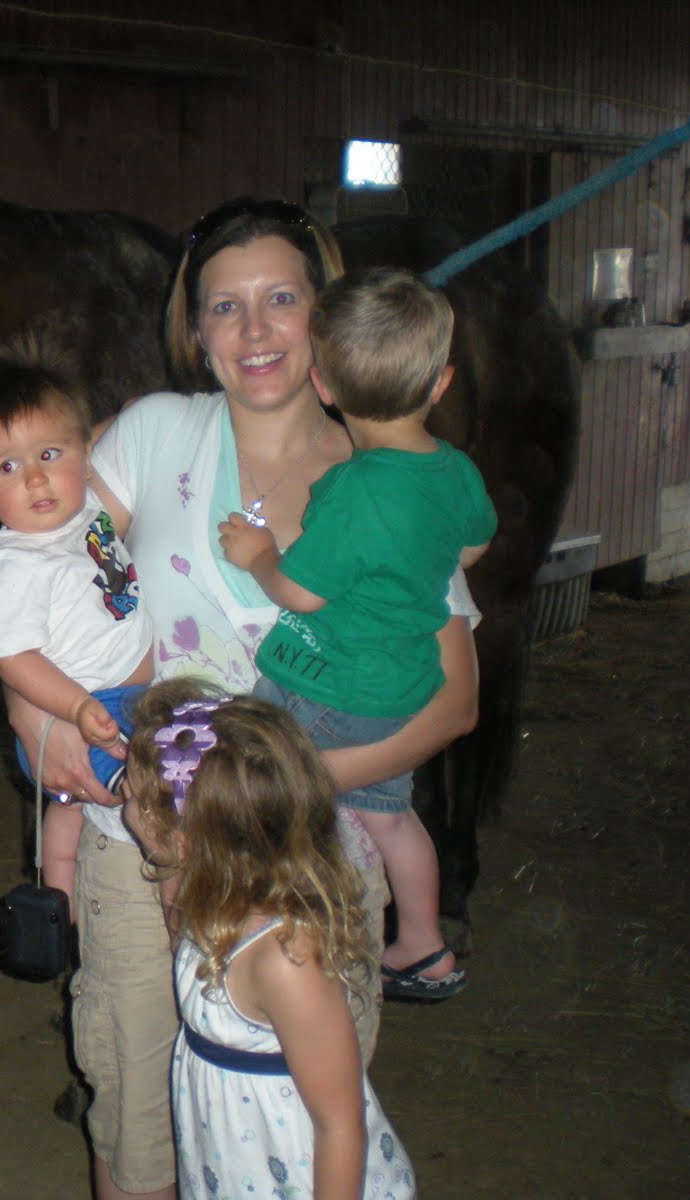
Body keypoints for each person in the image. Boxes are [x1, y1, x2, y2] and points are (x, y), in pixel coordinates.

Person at [3, 197, 479, 1200]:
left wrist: (286, 787)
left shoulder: (390, 477)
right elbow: (47, 571)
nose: (254, 331)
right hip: (142, 850)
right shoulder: (151, 437)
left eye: (280, 300)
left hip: (315, 865)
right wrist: (34, 711)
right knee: (136, 1115)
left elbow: (451, 708)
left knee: (292, 1134)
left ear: (328, 314)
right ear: (195, 329)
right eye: (225, 308)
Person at [218, 266, 495, 1003]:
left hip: (323, 683)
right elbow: (472, 549)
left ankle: (275, 936)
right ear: (440, 383)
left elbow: (301, 593)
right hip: (400, 690)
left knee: (257, 784)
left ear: (326, 388)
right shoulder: (458, 473)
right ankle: (425, 944)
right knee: (389, 814)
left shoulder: (351, 488)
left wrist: (257, 554)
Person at [121, 682, 417, 1200]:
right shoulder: (209, 901)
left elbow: (340, 1124)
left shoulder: (287, 961)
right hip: (237, 1166)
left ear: (190, 836)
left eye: (140, 794)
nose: (125, 793)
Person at [0, 335, 153, 914]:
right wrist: (77, 708)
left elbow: (108, 427)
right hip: (91, 708)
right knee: (150, 799)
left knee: (66, 810)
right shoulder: (15, 566)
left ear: (85, 454)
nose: (35, 480)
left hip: (128, 700)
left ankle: (57, 906)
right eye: (8, 467)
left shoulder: (81, 509)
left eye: (49, 456)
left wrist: (132, 413)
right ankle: (180, 903)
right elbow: (13, 658)